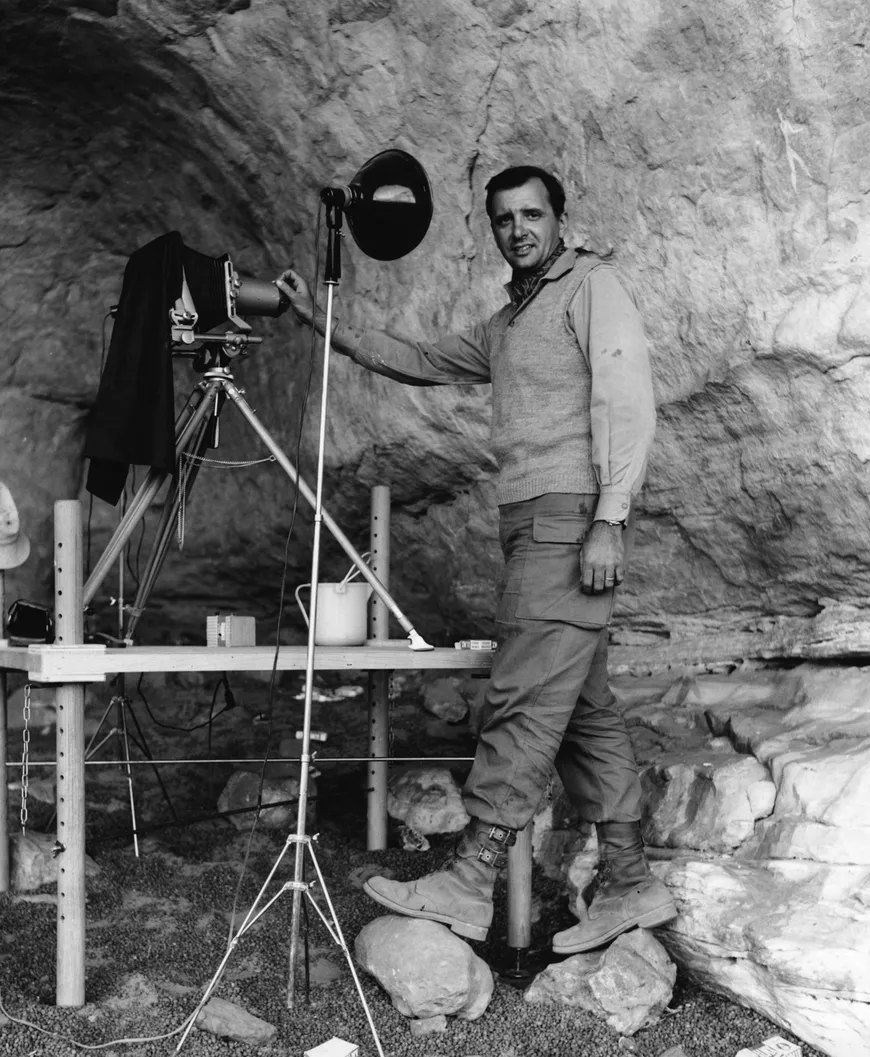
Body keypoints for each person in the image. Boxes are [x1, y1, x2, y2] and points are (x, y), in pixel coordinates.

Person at [274, 165, 676, 954]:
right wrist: (321, 321)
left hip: (569, 523)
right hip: (528, 526)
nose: (518, 228)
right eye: (503, 219)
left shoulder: (592, 286)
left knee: (521, 699)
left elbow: (627, 399)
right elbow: (418, 358)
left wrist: (609, 520)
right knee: (581, 713)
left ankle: (468, 881)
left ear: (562, 218)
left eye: (532, 213)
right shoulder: (507, 323)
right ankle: (630, 882)